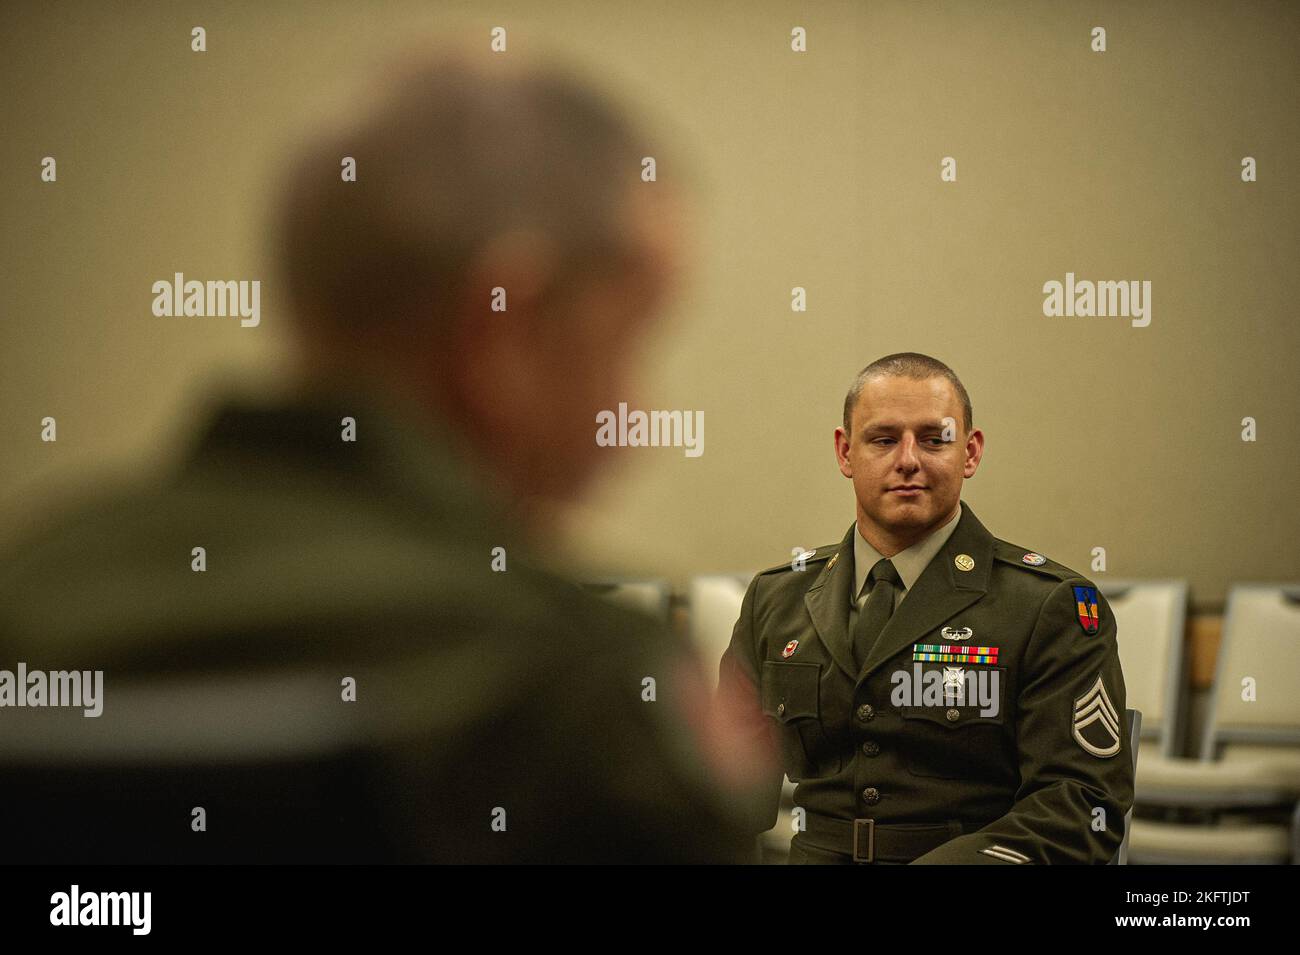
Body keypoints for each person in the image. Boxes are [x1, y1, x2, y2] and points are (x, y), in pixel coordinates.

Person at [0, 46, 761, 863]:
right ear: (503, 328)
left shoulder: (26, 594)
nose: (638, 417)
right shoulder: (587, 705)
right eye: (629, 342)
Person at [720, 352, 1134, 863]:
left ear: (970, 452)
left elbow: (1082, 805)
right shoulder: (776, 599)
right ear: (846, 452)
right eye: (884, 439)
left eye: (935, 438)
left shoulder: (1049, 605)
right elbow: (719, 791)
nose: (909, 459)